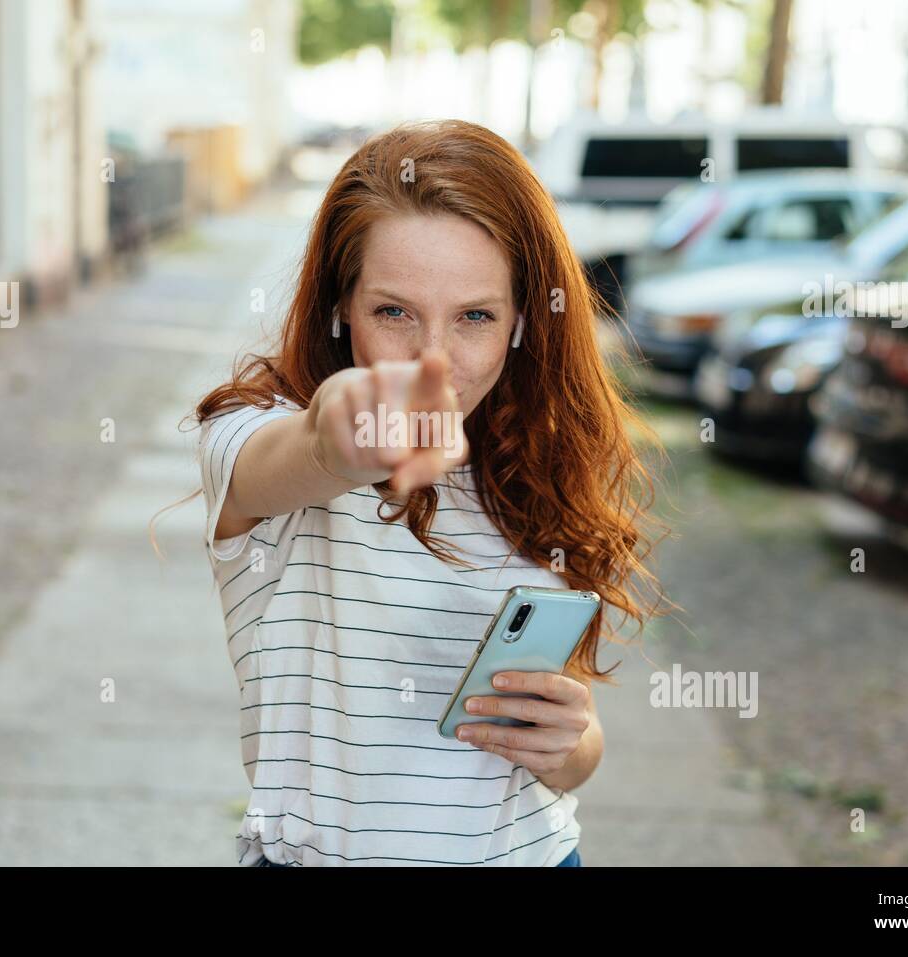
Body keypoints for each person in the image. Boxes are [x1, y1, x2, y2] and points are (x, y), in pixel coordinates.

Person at [193, 119, 658, 866]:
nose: (434, 360)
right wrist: (343, 437)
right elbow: (307, 449)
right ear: (341, 309)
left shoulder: (535, 466)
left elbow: (570, 745)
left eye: (474, 315)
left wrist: (571, 742)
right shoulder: (251, 440)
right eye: (394, 312)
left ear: (518, 325)